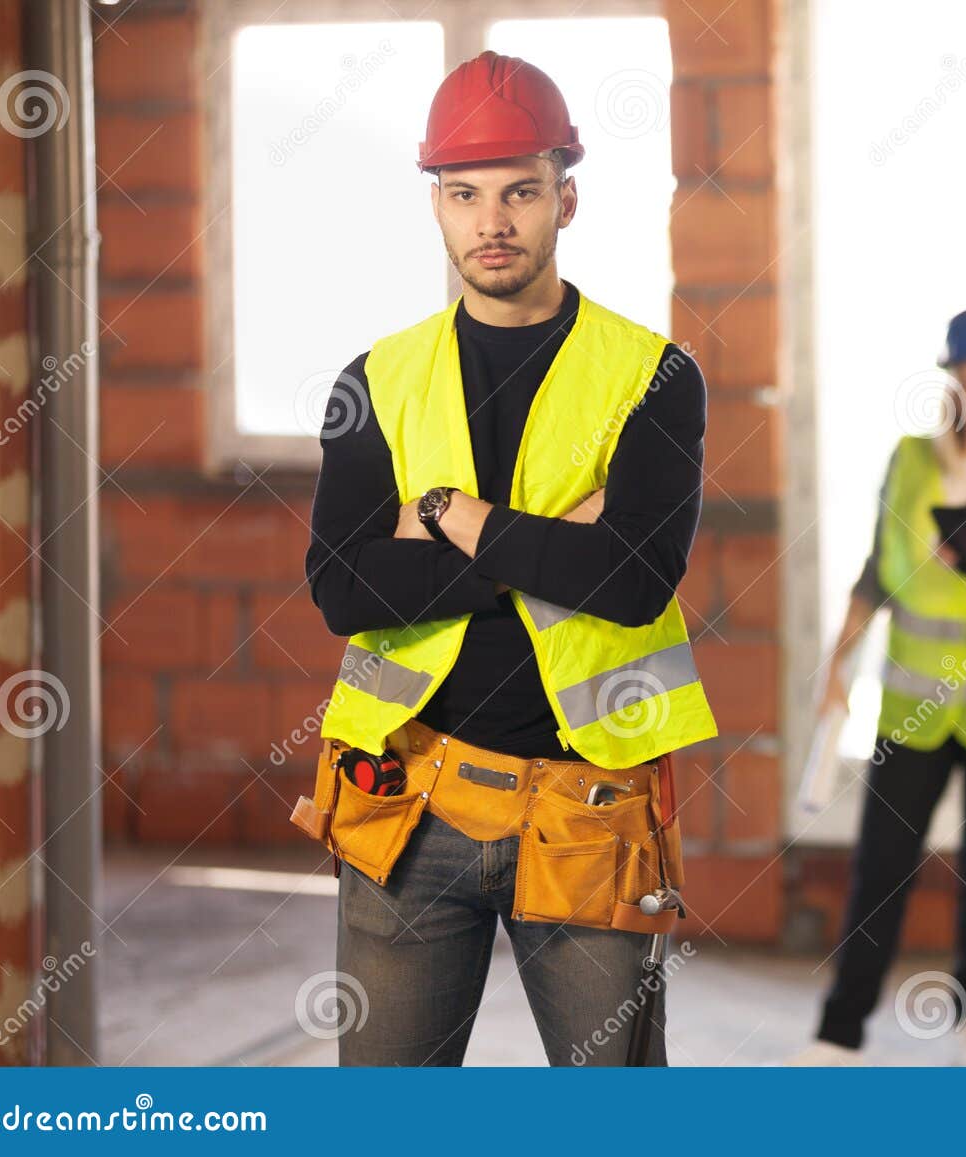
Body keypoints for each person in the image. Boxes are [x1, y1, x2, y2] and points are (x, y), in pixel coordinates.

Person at [293, 51, 717, 1067]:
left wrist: (450, 517)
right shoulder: (378, 380)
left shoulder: (653, 378)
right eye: (464, 193)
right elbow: (342, 588)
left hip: (586, 808)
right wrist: (535, 545)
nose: (493, 220)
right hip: (409, 797)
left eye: (519, 191)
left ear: (564, 199)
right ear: (435, 205)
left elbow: (630, 582)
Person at [792, 307, 966, 1066]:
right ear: (949, 386)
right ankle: (839, 1031)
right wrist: (836, 669)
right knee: (881, 867)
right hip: (913, 706)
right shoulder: (912, 461)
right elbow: (876, 572)